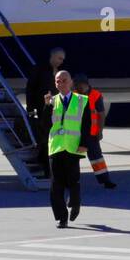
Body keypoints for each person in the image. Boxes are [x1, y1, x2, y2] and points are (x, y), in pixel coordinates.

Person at [44, 69, 94, 227]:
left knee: (73, 181)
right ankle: (61, 217)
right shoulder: (52, 101)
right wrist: (46, 107)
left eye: (64, 80)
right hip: (56, 147)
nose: (61, 83)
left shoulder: (82, 100)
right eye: (58, 81)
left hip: (73, 147)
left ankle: (75, 203)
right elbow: (45, 125)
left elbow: (87, 124)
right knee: (56, 185)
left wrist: (84, 144)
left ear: (71, 82)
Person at [73, 73, 117, 189]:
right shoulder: (74, 95)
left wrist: (100, 131)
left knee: (97, 158)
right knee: (73, 159)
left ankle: (105, 180)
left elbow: (101, 115)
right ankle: (72, 181)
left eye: (78, 85)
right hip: (77, 134)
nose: (77, 88)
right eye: (76, 85)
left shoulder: (95, 95)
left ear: (85, 84)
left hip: (91, 134)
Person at [27, 47, 66, 169]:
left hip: (56, 110)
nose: (61, 61)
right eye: (59, 58)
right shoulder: (40, 70)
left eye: (62, 59)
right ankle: (45, 164)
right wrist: (30, 107)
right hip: (42, 109)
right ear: (52, 56)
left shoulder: (59, 72)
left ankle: (50, 164)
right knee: (45, 137)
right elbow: (30, 89)